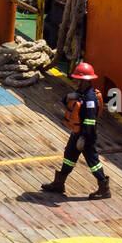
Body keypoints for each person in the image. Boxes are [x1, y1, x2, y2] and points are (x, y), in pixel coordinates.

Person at [41, 62, 111, 200]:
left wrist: (84, 138)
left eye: (78, 79)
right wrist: (68, 97)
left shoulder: (90, 98)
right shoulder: (81, 93)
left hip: (86, 136)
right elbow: (65, 103)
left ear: (84, 80)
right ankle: (59, 184)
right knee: (69, 156)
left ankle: (104, 189)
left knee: (93, 162)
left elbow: (90, 121)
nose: (76, 81)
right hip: (77, 133)